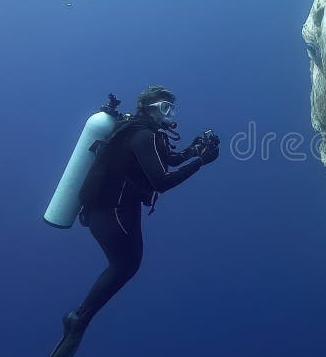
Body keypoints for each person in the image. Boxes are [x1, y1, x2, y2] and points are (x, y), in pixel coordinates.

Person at [50, 86, 220, 357]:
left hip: (111, 211)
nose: (170, 114)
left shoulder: (145, 132)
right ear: (149, 108)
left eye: (172, 109)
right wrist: (200, 161)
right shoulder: (142, 135)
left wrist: (193, 150)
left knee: (127, 265)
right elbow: (162, 182)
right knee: (126, 265)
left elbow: (167, 160)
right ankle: (77, 319)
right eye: (165, 108)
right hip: (111, 213)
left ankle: (80, 318)